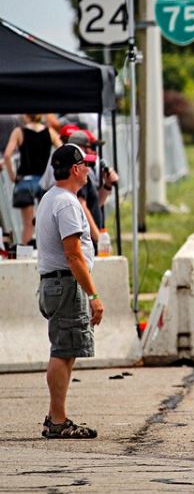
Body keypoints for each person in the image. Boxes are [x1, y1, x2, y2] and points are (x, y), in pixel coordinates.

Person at [35, 144, 103, 439]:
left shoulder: (52, 197)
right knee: (62, 352)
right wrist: (94, 296)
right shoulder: (66, 203)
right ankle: (58, 421)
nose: (88, 170)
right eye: (85, 165)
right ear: (75, 169)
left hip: (54, 283)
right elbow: (73, 254)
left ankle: (55, 415)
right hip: (65, 284)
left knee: (66, 349)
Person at [4, 114, 61, 245]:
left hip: (25, 180)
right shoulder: (50, 132)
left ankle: (25, 252)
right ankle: (47, 249)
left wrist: (13, 176)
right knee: (46, 221)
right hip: (44, 182)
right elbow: (62, 150)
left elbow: (7, 155)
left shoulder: (19, 132)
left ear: (26, 116)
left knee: (28, 223)